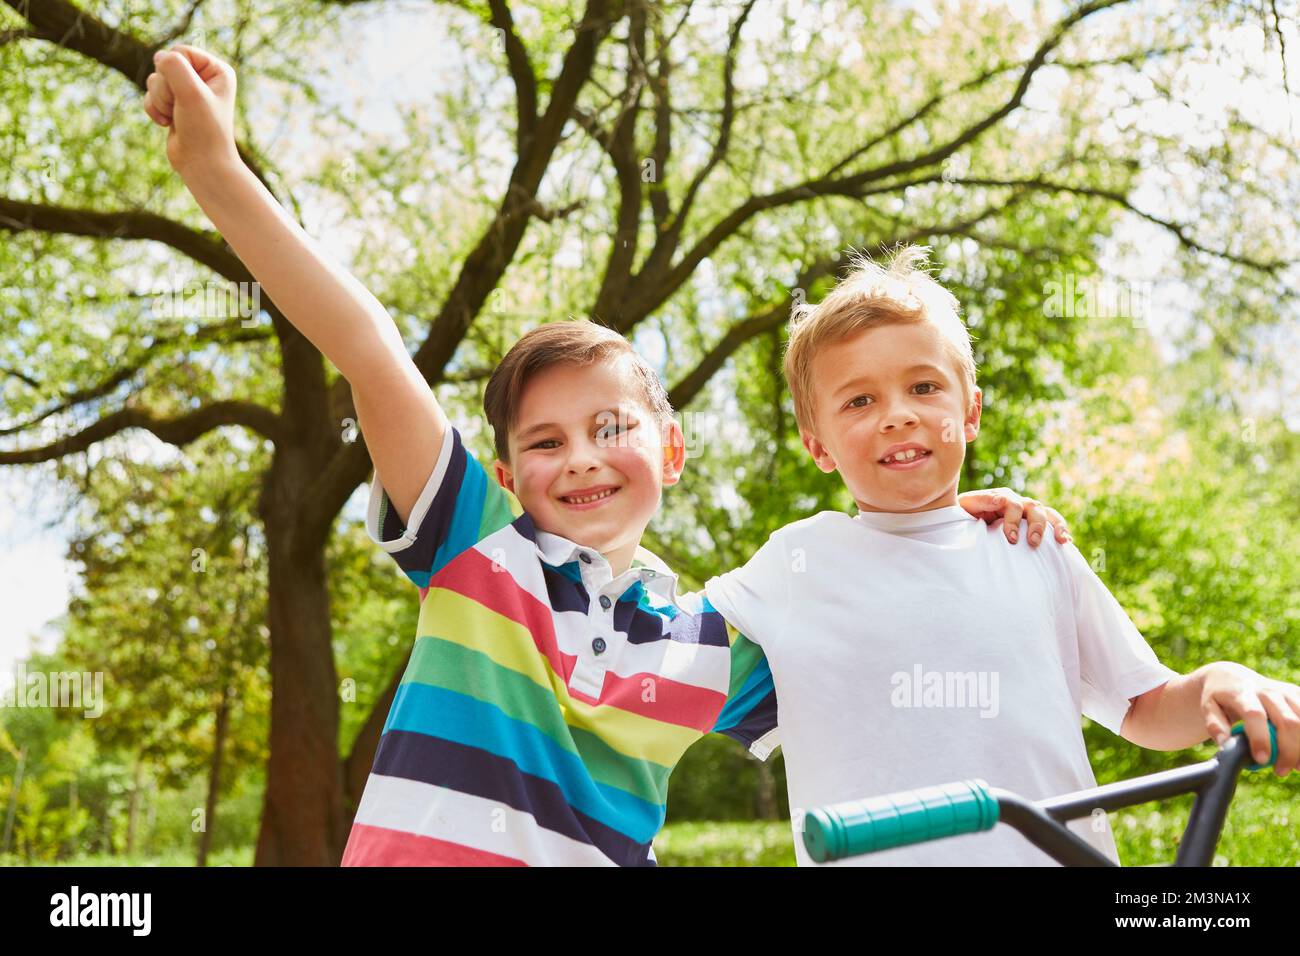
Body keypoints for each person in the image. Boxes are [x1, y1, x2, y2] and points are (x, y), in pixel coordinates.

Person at [143, 45, 1072, 865]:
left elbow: (890, 641)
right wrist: (216, 169)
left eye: (610, 428)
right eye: (545, 442)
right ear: (506, 478)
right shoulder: (478, 548)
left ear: (670, 449)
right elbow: (367, 345)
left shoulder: (718, 638)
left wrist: (941, 512)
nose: (582, 457)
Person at [704, 244, 1300, 866]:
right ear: (817, 444)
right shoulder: (797, 563)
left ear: (969, 413)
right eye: (859, 401)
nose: (898, 416)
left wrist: (1223, 681)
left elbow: (1146, 708)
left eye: (924, 386)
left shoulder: (1032, 545)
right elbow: (646, 650)